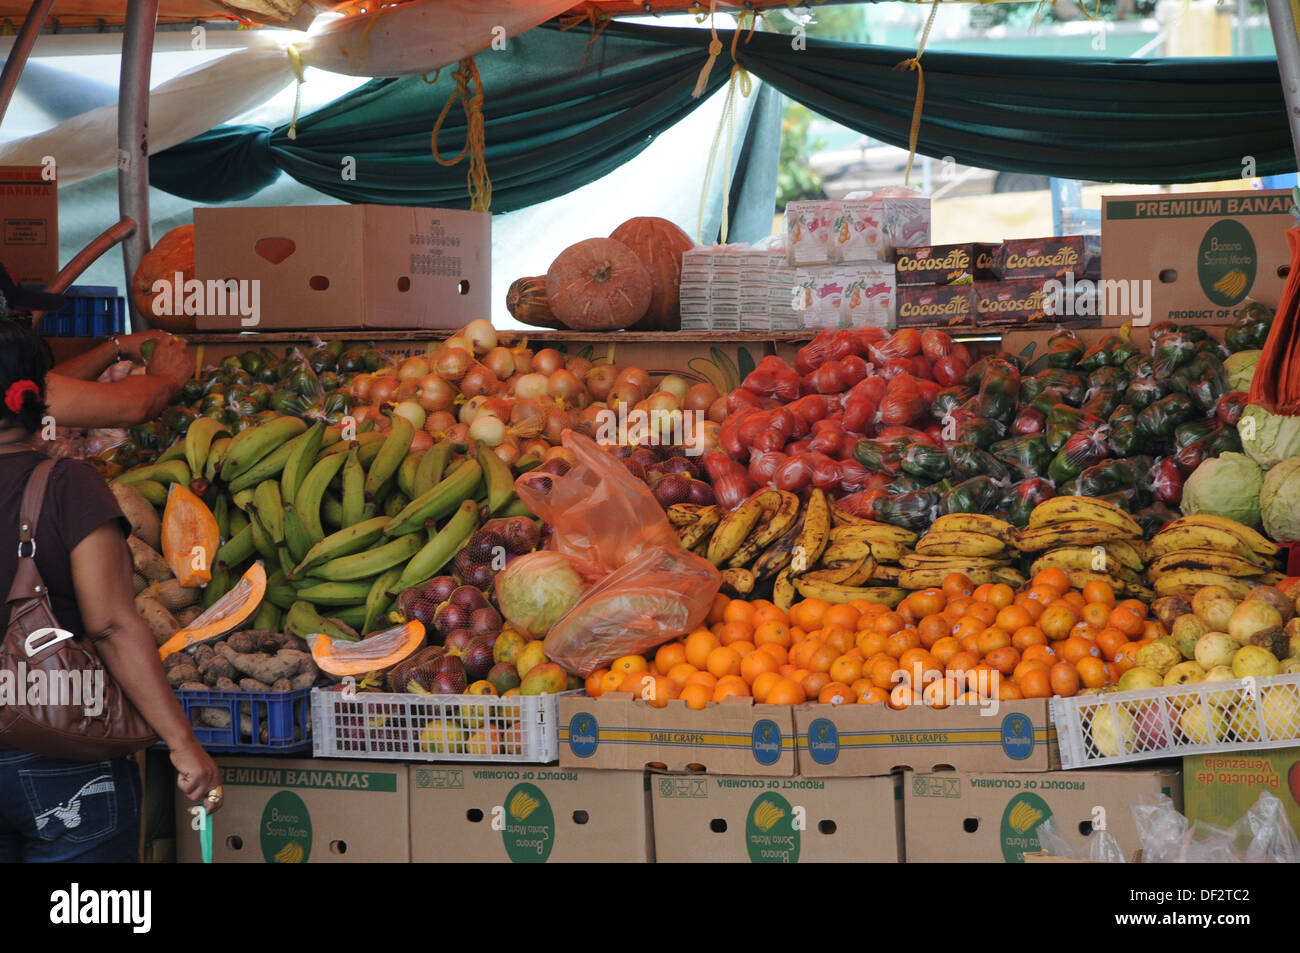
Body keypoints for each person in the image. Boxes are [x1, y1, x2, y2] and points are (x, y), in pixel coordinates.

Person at [0, 318, 220, 862]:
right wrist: (183, 744)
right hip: (57, 753)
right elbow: (113, 625)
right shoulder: (67, 486)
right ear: (39, 398)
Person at [45, 330, 195, 429]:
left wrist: (118, 346)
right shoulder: (27, 389)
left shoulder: (30, 383)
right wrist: (168, 377)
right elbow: (132, 407)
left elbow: (56, 382)